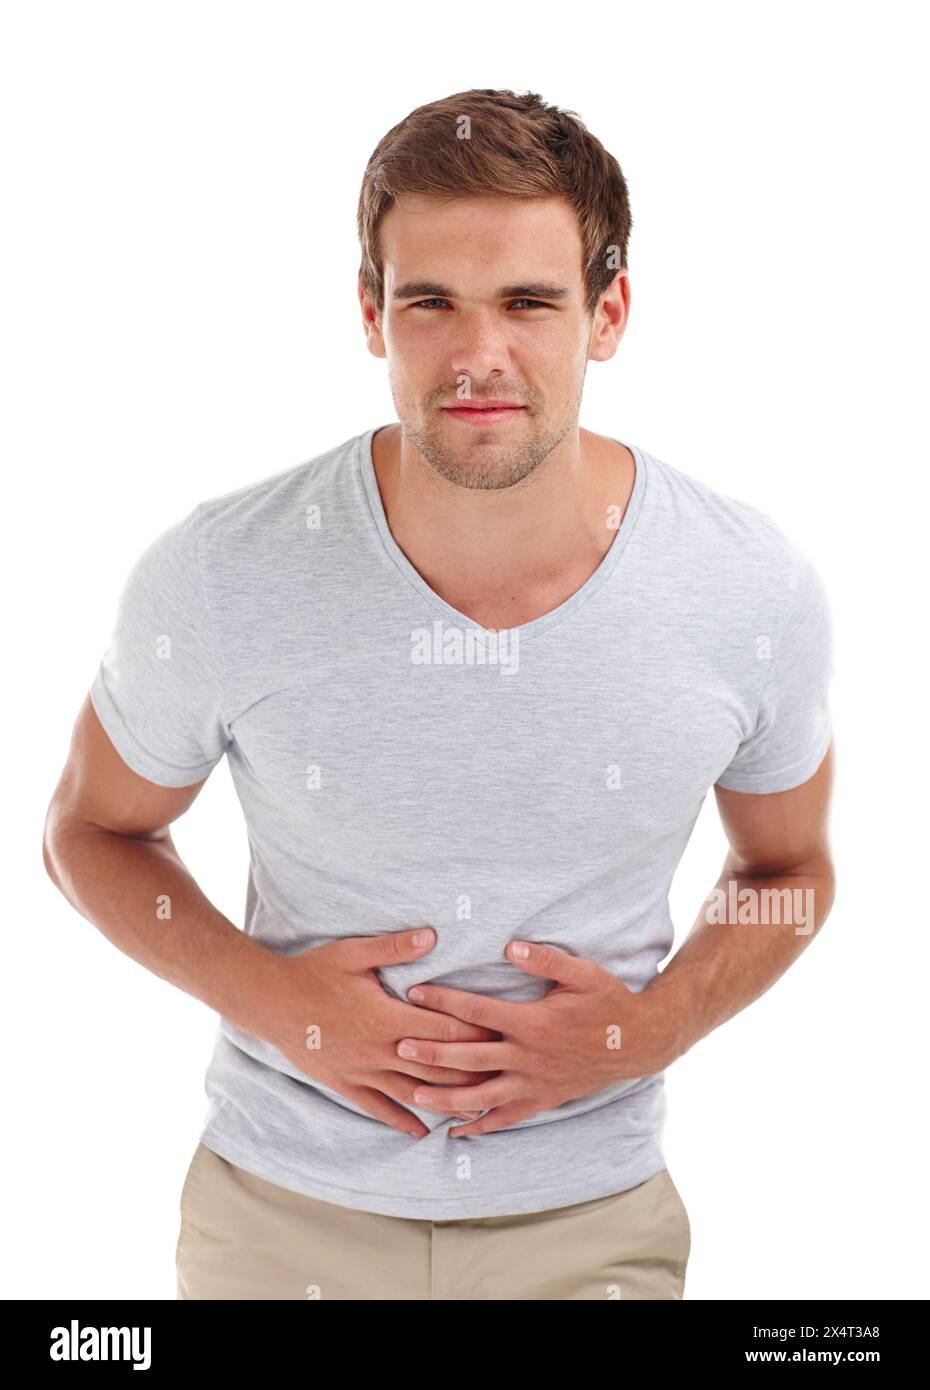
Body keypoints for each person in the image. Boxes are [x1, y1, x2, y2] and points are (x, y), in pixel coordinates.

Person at [42, 88, 835, 1301]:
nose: (479, 357)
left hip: (589, 1222)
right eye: (430, 303)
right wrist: (277, 1001)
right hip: (277, 1218)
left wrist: (650, 1028)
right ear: (372, 312)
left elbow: (791, 872)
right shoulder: (221, 571)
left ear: (606, 312)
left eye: (528, 302)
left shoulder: (747, 587)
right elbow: (89, 833)